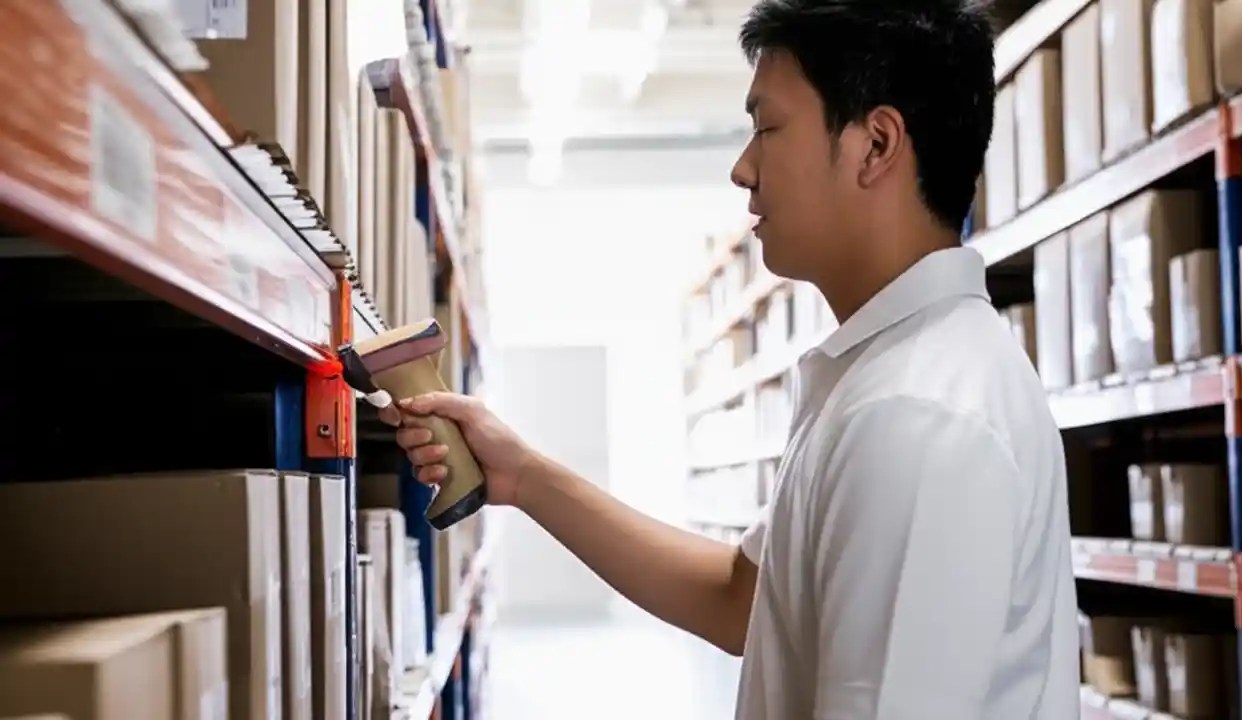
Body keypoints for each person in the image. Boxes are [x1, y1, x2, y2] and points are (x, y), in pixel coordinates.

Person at [382, 0, 1080, 717]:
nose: (742, 169)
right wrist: (522, 476)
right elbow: (743, 599)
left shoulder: (918, 417)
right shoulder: (893, 376)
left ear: (877, 144)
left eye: (767, 127)